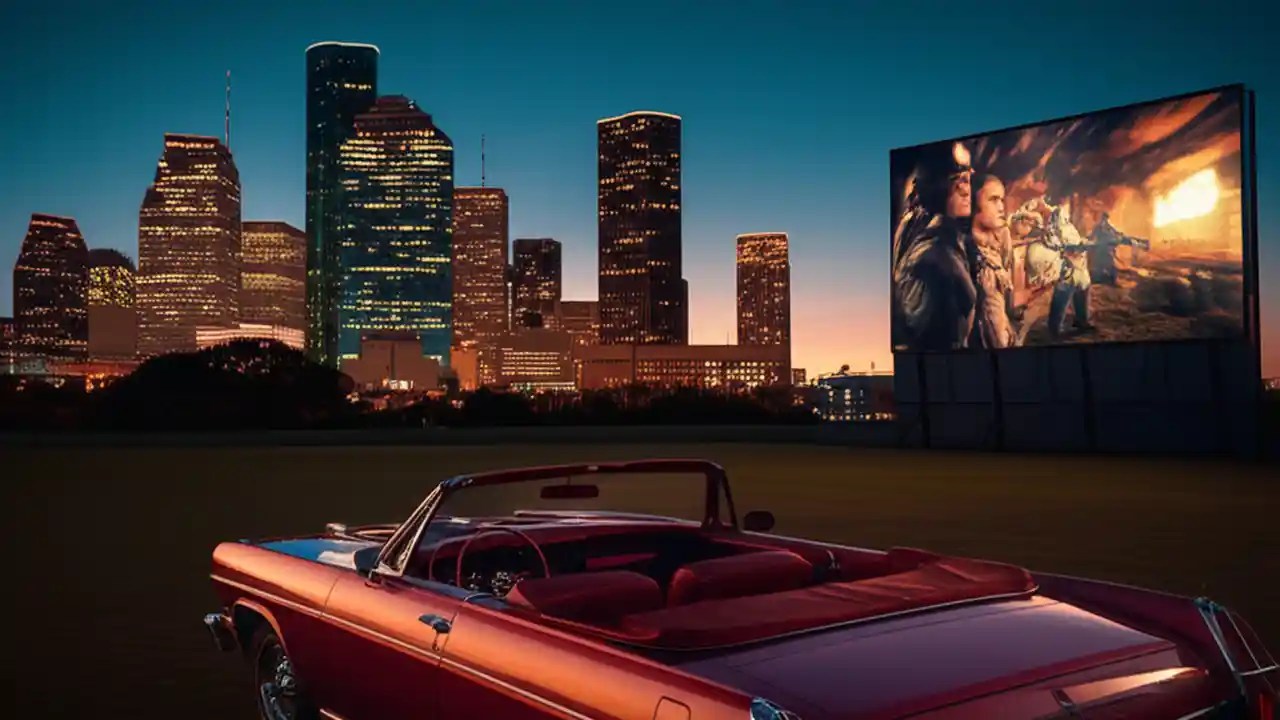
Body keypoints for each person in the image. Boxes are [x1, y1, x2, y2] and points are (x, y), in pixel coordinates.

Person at [891, 142, 977, 352]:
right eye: (957, 181)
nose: (966, 190)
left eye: (968, 180)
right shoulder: (932, 247)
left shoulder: (949, 237)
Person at [966, 174, 1016, 348]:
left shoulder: (1002, 235)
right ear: (974, 203)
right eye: (993, 200)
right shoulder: (963, 245)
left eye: (1001, 200)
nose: (1001, 207)